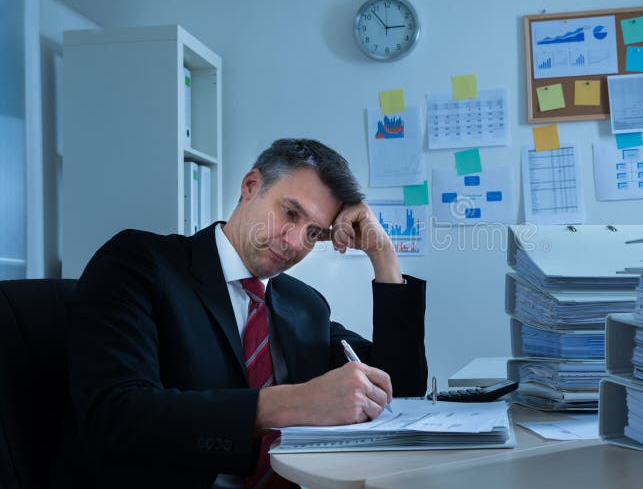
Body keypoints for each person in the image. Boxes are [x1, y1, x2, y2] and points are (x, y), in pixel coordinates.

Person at [65, 138, 427, 488]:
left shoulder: (305, 304)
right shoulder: (141, 263)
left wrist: (383, 256)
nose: (294, 242)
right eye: (289, 212)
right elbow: (115, 415)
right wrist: (295, 402)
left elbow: (401, 390)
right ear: (251, 185)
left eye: (314, 231)